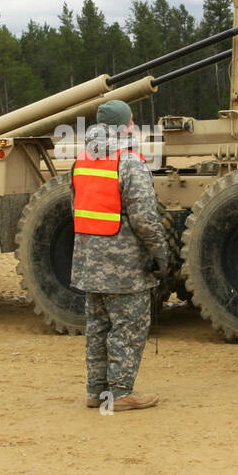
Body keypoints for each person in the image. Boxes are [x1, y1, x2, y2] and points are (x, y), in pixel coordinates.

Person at [70, 99, 170, 412]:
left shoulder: (82, 158)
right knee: (128, 328)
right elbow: (144, 218)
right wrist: (161, 253)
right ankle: (122, 393)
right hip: (125, 267)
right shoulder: (129, 161)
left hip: (89, 263)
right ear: (126, 125)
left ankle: (96, 391)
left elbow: (76, 207)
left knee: (98, 328)